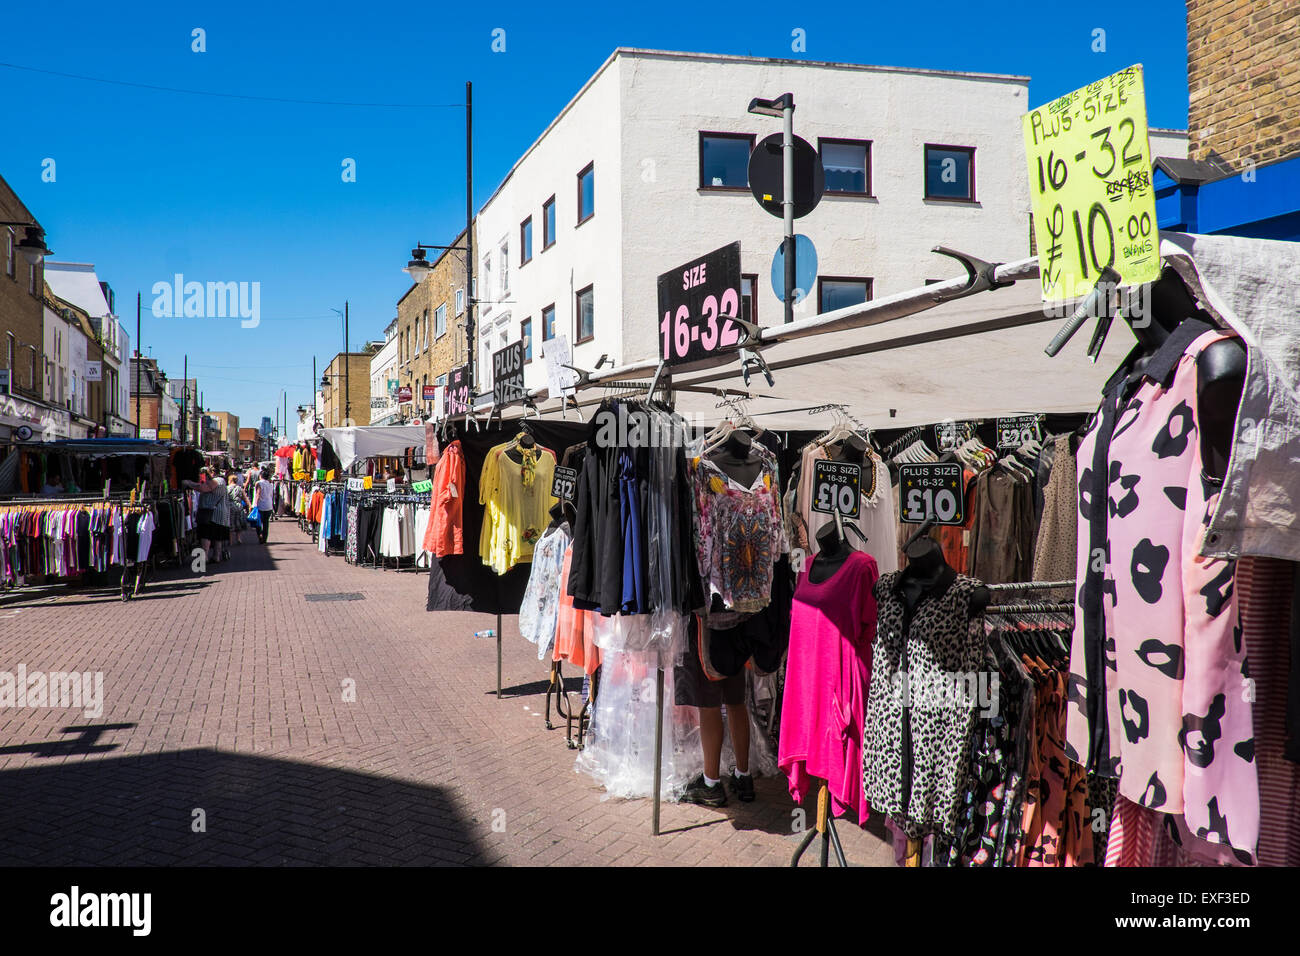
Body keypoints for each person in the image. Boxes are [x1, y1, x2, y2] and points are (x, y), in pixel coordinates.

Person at [254, 468, 275, 544]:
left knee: (258, 523)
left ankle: (260, 535)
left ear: (261, 476)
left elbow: (258, 494)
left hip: (260, 506)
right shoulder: (271, 484)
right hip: (269, 506)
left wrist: (255, 505)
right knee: (266, 523)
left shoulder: (259, 483)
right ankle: (264, 538)